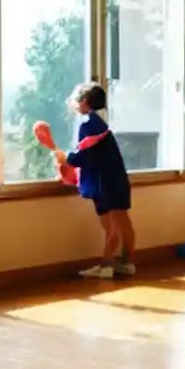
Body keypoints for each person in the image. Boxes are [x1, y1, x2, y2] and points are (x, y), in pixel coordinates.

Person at [55, 82, 135, 280]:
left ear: (86, 102)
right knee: (120, 222)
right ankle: (127, 262)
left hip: (105, 182)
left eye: (77, 98)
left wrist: (66, 158)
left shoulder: (88, 124)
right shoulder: (97, 123)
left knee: (112, 225)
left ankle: (106, 265)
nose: (73, 102)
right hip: (113, 179)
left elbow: (84, 154)